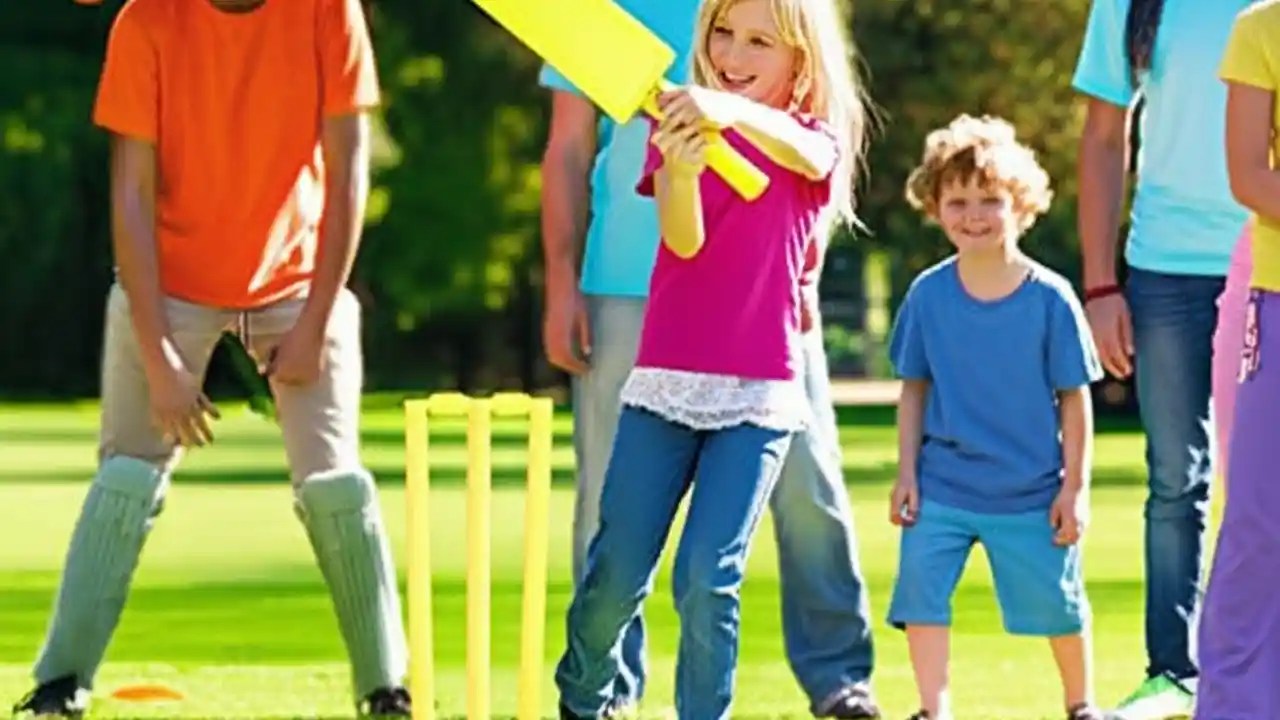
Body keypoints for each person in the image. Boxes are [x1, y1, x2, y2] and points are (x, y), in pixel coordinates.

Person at [10, 1, 411, 718]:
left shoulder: (327, 11)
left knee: (334, 485)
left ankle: (386, 689)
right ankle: (59, 683)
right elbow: (130, 191)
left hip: (297, 280)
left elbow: (350, 166)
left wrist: (318, 318)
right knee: (126, 478)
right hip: (170, 283)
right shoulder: (146, 21)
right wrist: (159, 354)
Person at [538, 0, 880, 717]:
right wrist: (684, 164)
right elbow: (685, 242)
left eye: (760, 42)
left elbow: (812, 151)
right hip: (664, 381)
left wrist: (724, 112)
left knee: (708, 576)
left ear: (799, 59)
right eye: (723, 35)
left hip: (759, 394)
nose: (734, 52)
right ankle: (586, 695)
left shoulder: (807, 139)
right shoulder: (675, 133)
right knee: (616, 571)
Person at [885, 115, 1105, 720]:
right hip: (942, 489)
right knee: (922, 599)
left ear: (1022, 205)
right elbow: (914, 390)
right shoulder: (927, 295)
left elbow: (1074, 399)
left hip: (1031, 492)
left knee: (1060, 604)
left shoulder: (1050, 298)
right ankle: (934, 710)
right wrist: (907, 474)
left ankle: (1081, 704)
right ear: (935, 207)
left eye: (990, 200)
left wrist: (1074, 488)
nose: (974, 215)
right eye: (957, 201)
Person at [1071, 0, 1254, 714]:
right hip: (1166, 269)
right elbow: (1102, 136)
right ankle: (1173, 673)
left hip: (1268, 264)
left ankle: (1251, 667)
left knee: (1264, 481)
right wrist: (1100, 284)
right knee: (1176, 477)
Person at [1196, 3, 1280, 716]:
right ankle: (1235, 705)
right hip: (1278, 302)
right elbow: (1250, 176)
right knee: (1260, 513)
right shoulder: (1262, 29)